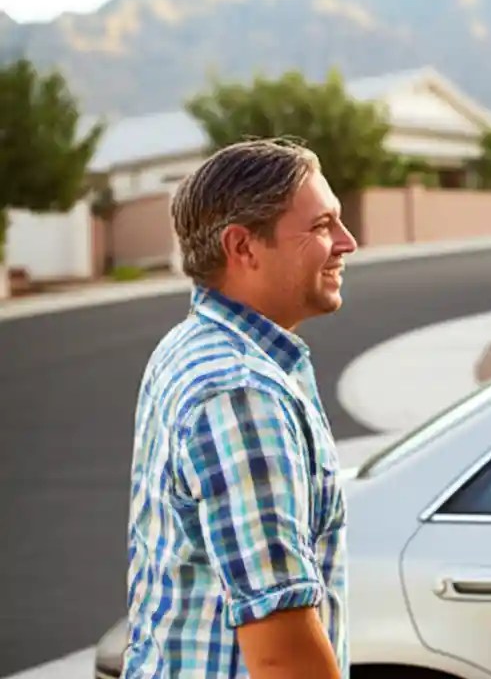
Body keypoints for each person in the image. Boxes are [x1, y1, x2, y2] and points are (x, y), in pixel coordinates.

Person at [125, 139, 358, 678]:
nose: (347, 242)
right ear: (244, 247)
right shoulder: (241, 394)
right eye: (322, 226)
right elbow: (281, 652)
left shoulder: (190, 346)